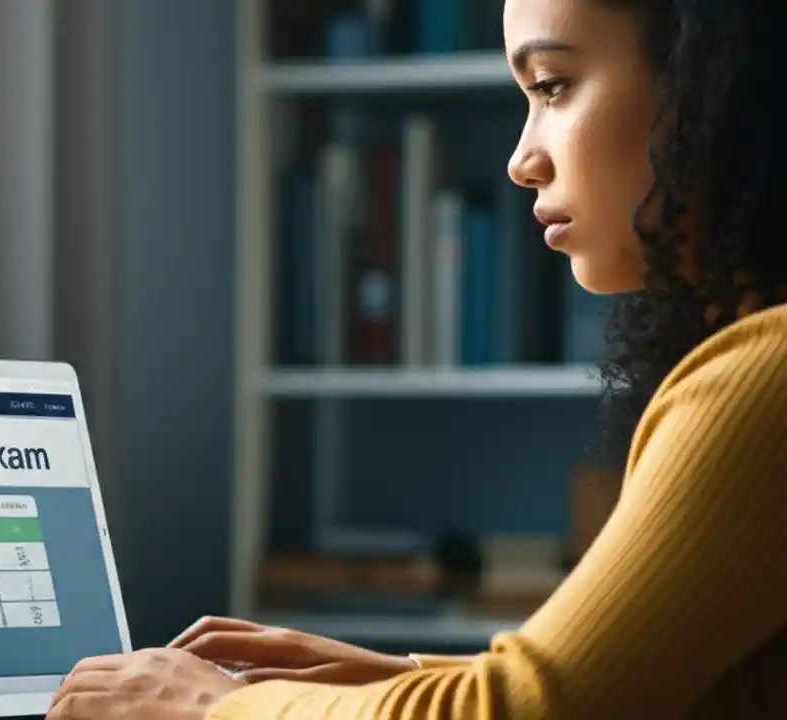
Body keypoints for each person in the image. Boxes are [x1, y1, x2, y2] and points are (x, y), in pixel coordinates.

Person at [46, 0, 787, 717]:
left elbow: (524, 715)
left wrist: (215, 707)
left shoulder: (764, 375)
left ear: (708, 79)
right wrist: (393, 683)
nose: (522, 161)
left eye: (554, 86)